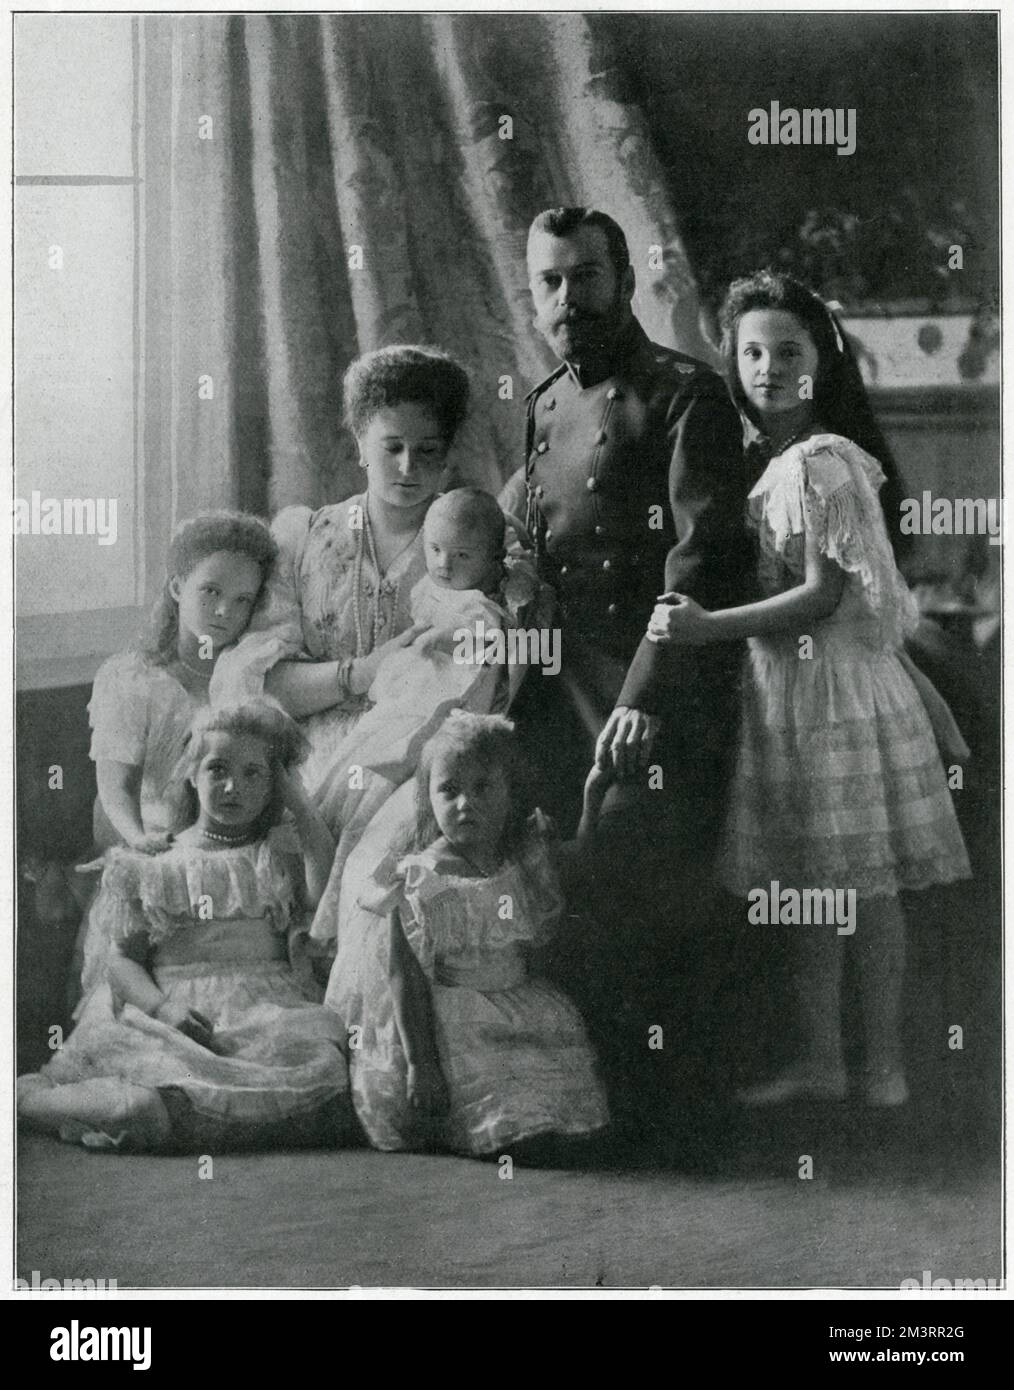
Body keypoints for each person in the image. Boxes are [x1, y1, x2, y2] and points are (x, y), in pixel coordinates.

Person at [647, 270, 972, 1108]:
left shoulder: (822, 463)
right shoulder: (772, 458)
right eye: (751, 352)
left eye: (787, 351)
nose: (767, 368)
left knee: (862, 889)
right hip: (792, 689)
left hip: (832, 691)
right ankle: (826, 1061)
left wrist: (707, 626)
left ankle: (885, 1068)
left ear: (820, 361)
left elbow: (827, 596)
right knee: (813, 887)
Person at [498, 206, 752, 1126]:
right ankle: (551, 1089)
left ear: (625, 281)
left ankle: (661, 1103)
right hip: (560, 679)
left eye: (586, 277)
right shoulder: (544, 402)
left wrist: (645, 698)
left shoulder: (690, 394)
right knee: (498, 824)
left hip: (665, 679)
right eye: (549, 283)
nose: (569, 300)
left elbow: (701, 565)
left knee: (625, 835)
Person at [18, 702, 352, 1152]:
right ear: (191, 774)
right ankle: (30, 1102)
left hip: (265, 1012)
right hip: (178, 1012)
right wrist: (163, 1010)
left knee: (326, 1075)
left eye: (254, 774)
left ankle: (186, 1120)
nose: (234, 786)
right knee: (142, 1107)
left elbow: (319, 889)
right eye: (218, 769)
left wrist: (293, 796)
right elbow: (121, 963)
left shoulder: (275, 854)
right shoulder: (156, 864)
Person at [330, 711, 610, 1159]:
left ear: (509, 792)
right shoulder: (420, 877)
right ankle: (508, 1127)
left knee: (555, 1078)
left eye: (482, 788)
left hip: (517, 1000)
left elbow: (578, 863)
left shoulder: (520, 857)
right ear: (429, 797)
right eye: (449, 790)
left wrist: (592, 798)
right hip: (453, 1014)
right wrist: (421, 1064)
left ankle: (544, 1121)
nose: (465, 803)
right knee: (493, 1083)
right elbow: (403, 975)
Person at [211, 345, 472, 799]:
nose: (408, 467)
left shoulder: (478, 543)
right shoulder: (303, 538)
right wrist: (359, 674)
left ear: (448, 454)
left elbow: (479, 684)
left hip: (420, 770)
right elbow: (255, 686)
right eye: (392, 447)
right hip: (307, 767)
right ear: (360, 446)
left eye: (427, 450)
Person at [74, 512, 279, 1002]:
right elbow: (114, 789)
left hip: (228, 845)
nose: (224, 611)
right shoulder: (134, 678)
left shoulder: (249, 676)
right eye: (210, 592)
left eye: (242, 600)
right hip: (156, 847)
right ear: (176, 587)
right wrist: (141, 840)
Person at [308, 487, 547, 908]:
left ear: (491, 560)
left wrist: (442, 637)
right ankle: (318, 888)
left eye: (461, 556)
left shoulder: (481, 605)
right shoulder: (435, 589)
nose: (443, 563)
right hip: (409, 698)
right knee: (348, 772)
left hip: (446, 708)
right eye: (435, 549)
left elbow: (491, 643)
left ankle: (342, 902)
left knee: (382, 787)